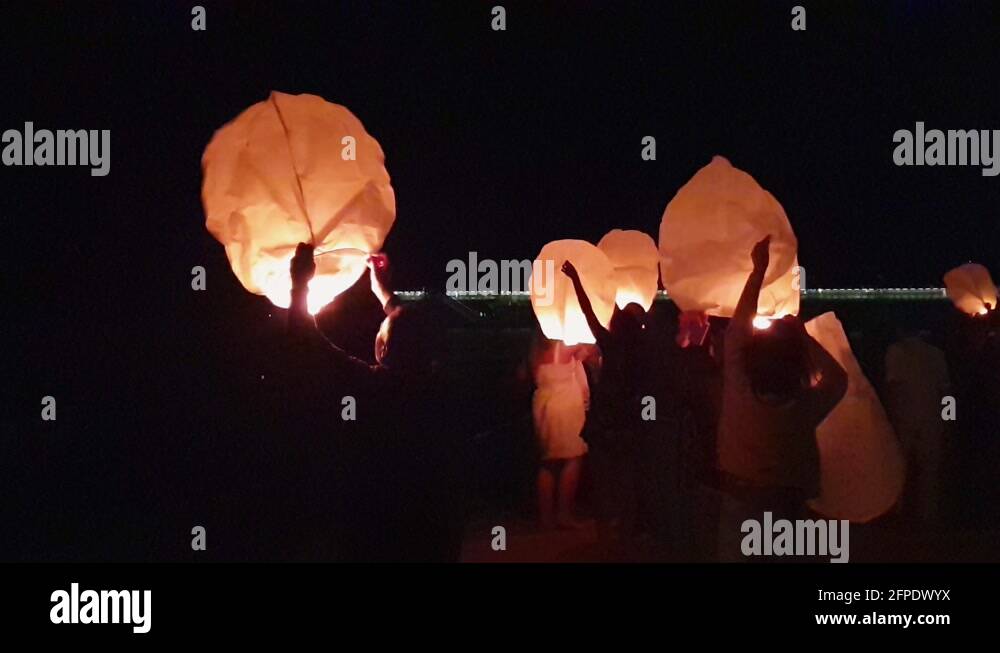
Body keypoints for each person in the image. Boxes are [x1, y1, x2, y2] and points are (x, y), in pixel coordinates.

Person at [286, 243, 462, 561]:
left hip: (380, 525)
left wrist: (300, 284)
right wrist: (384, 291)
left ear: (381, 350)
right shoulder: (440, 389)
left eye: (383, 327)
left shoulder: (372, 388)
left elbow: (304, 341)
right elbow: (410, 329)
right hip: (435, 527)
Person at [716, 236, 848, 562]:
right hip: (787, 504)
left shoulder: (741, 391)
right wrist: (801, 337)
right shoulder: (804, 407)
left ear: (752, 359)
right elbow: (838, 379)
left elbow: (735, 336)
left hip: (739, 497)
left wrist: (758, 269)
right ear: (795, 364)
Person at [561, 260, 648, 553]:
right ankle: (622, 539)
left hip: (604, 425)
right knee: (625, 484)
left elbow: (588, 314)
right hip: (626, 427)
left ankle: (605, 541)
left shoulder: (611, 345)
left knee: (603, 483)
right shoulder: (643, 357)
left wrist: (575, 278)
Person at [885, 328, 951, 528]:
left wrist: (891, 414)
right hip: (932, 418)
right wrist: (949, 419)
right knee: (929, 470)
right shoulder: (937, 354)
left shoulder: (895, 352)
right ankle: (927, 515)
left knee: (899, 467)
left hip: (905, 417)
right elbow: (947, 391)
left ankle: (897, 512)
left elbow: (893, 387)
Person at [531, 338, 590, 530]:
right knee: (572, 458)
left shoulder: (534, 348)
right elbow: (589, 350)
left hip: (543, 405)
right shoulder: (565, 345)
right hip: (564, 405)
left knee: (548, 461)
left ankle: (546, 518)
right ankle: (564, 514)